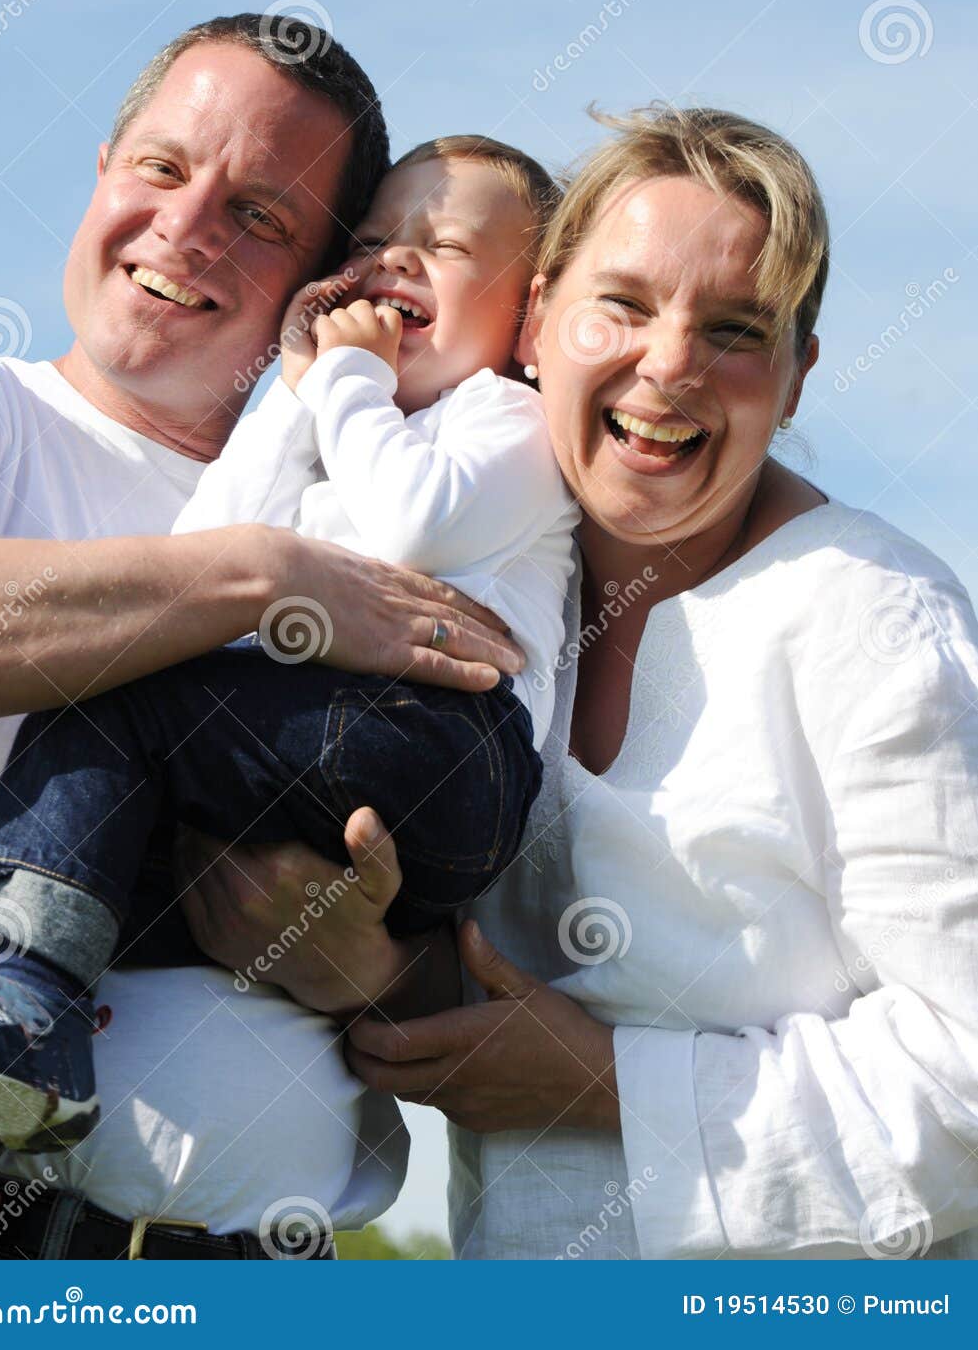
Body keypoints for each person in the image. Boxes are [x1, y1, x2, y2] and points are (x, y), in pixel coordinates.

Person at [0, 14, 524, 1260]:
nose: (186, 229)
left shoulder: (375, 484)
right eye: (162, 166)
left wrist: (357, 965)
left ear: (328, 277)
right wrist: (257, 575)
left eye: (260, 214)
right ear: (101, 168)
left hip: (247, 1263)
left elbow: (481, 961)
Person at [343, 104, 978, 1260]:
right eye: (624, 303)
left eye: (737, 328)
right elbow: (481, 988)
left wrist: (608, 1087)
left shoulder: (874, 617)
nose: (672, 361)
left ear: (794, 380)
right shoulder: (494, 578)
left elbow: (969, 1073)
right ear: (537, 322)